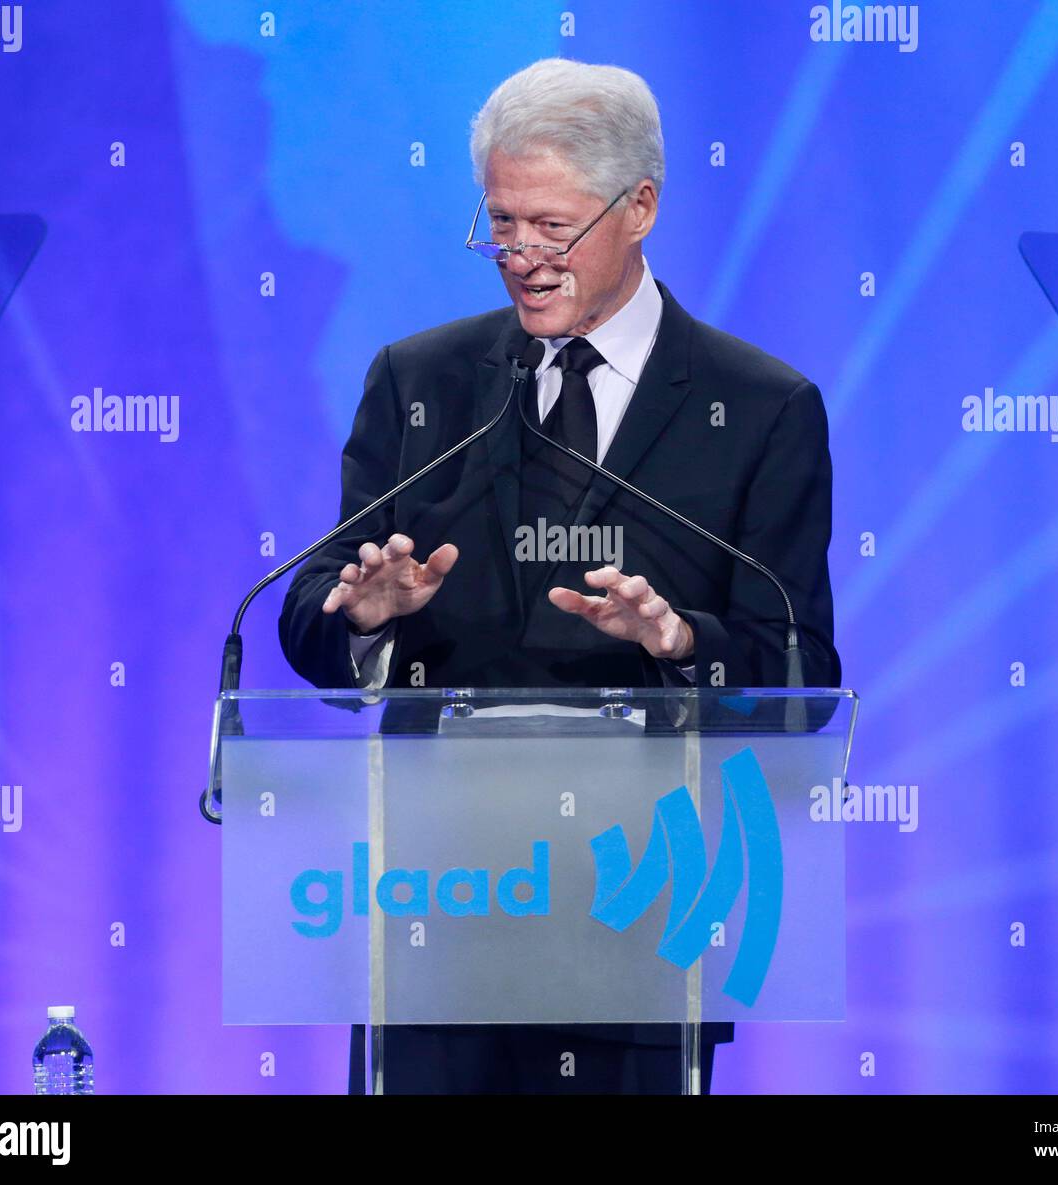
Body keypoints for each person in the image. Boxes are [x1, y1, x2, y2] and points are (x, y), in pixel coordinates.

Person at [279, 57, 840, 1093]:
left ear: (641, 208)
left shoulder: (759, 407)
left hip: (640, 930)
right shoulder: (422, 383)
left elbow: (797, 675)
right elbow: (310, 619)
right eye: (501, 223)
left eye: (552, 226)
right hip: (434, 917)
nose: (521, 258)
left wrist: (680, 644)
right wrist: (362, 616)